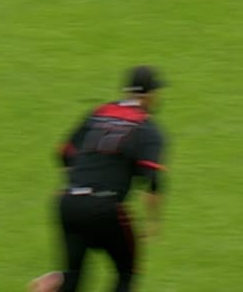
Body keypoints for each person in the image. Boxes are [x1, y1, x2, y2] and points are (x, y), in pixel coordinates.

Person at [29, 65, 169, 292]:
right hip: (105, 208)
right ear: (150, 94)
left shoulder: (99, 112)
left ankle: (50, 286)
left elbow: (63, 152)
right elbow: (152, 181)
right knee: (126, 273)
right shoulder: (148, 129)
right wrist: (153, 222)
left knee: (73, 277)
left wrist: (77, 184)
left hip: (68, 203)